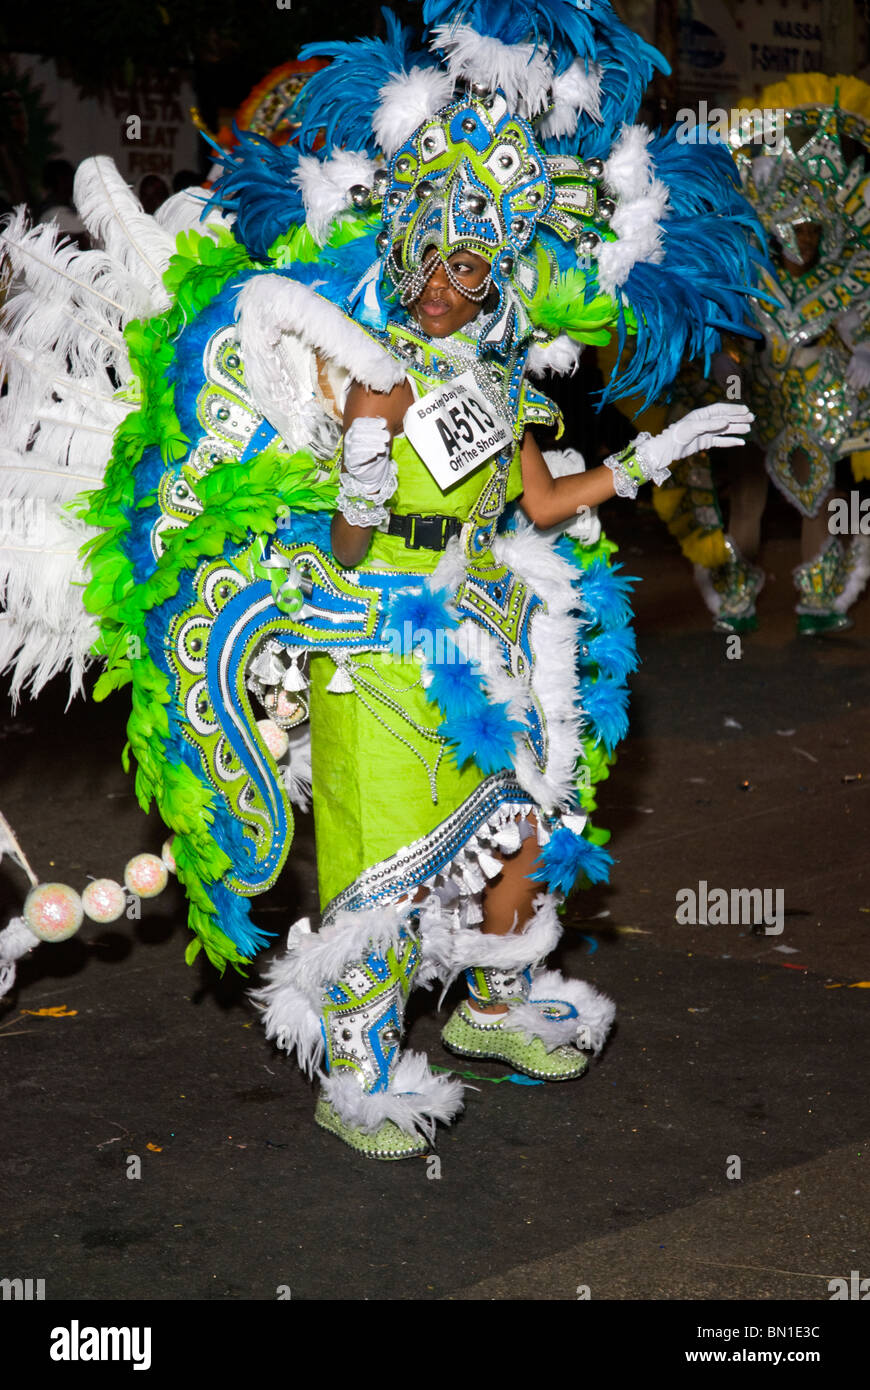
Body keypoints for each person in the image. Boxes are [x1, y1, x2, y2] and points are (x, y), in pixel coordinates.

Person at [0, 0, 758, 1159]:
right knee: (386, 874)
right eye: (428, 252)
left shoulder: (501, 385)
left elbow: (541, 504)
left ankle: (495, 1005)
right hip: (370, 636)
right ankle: (356, 1070)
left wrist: (659, 452)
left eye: (471, 261)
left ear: (496, 271)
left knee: (523, 838)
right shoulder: (337, 362)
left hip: (482, 631)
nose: (445, 281)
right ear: (394, 242)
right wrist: (361, 441)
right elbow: (348, 548)